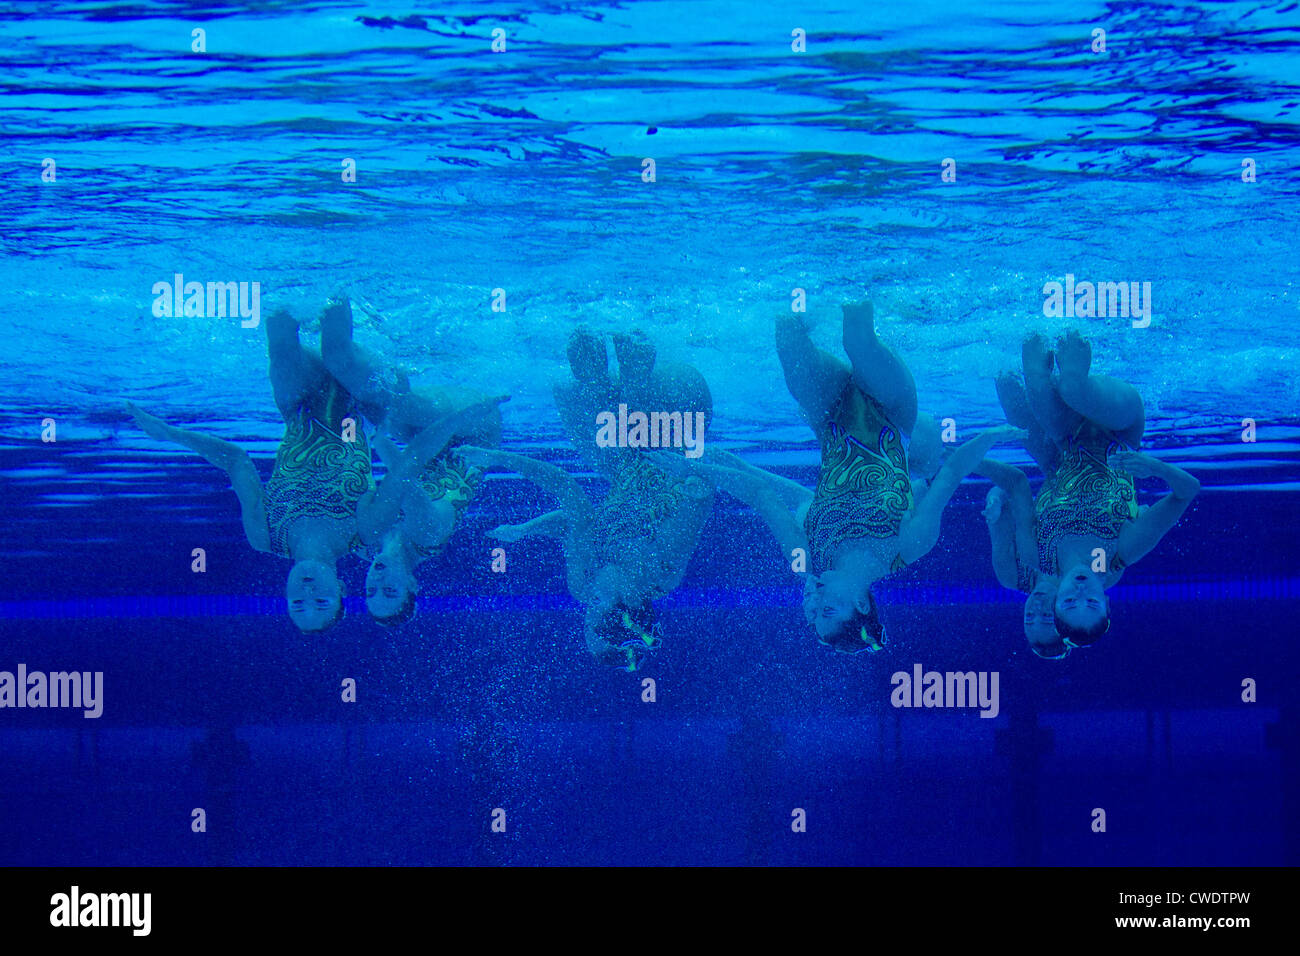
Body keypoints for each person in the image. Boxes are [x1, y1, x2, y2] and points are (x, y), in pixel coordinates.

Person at [654, 299, 1022, 655]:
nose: (818, 603)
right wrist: (990, 438)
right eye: (830, 610)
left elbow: (761, 492)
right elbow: (953, 472)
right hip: (890, 410)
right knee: (857, 336)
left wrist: (698, 466)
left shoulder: (808, 556)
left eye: (816, 613)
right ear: (861, 603)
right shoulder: (909, 545)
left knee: (789, 336)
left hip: (828, 411)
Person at [460, 328, 715, 671]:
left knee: (575, 381)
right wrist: (497, 457)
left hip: (624, 461)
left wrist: (525, 529)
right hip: (678, 419)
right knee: (634, 380)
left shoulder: (583, 582)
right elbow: (701, 493)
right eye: (595, 619)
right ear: (628, 608)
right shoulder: (660, 568)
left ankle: (585, 314)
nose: (586, 608)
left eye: (585, 622)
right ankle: (635, 355)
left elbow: (572, 509)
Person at [128, 305, 374, 632]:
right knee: (337, 351)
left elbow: (236, 461)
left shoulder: (264, 536)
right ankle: (347, 279)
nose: (308, 592)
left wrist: (170, 434)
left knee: (282, 344)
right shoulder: (365, 535)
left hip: (298, 406)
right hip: (358, 402)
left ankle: (294, 276)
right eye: (321, 601)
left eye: (298, 603)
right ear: (342, 589)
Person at [979, 330, 1201, 658]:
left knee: (1026, 377)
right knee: (1071, 387)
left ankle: (1025, 313)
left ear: (1058, 599)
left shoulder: (1035, 558)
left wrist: (957, 459)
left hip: (1064, 441)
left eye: (1070, 600)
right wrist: (1155, 467)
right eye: (1092, 601)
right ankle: (1077, 322)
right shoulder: (1122, 552)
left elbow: (1016, 484)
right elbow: (1188, 491)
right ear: (1107, 601)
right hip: (1120, 429)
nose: (1081, 590)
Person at [319, 295, 506, 625]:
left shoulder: (366, 543)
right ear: (412, 585)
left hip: (422, 442)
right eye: (390, 592)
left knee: (356, 391)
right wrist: (378, 437)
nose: (377, 584)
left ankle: (347, 308)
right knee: (377, 389)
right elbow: (405, 479)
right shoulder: (427, 536)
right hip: (472, 429)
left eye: (370, 593)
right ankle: (342, 289)